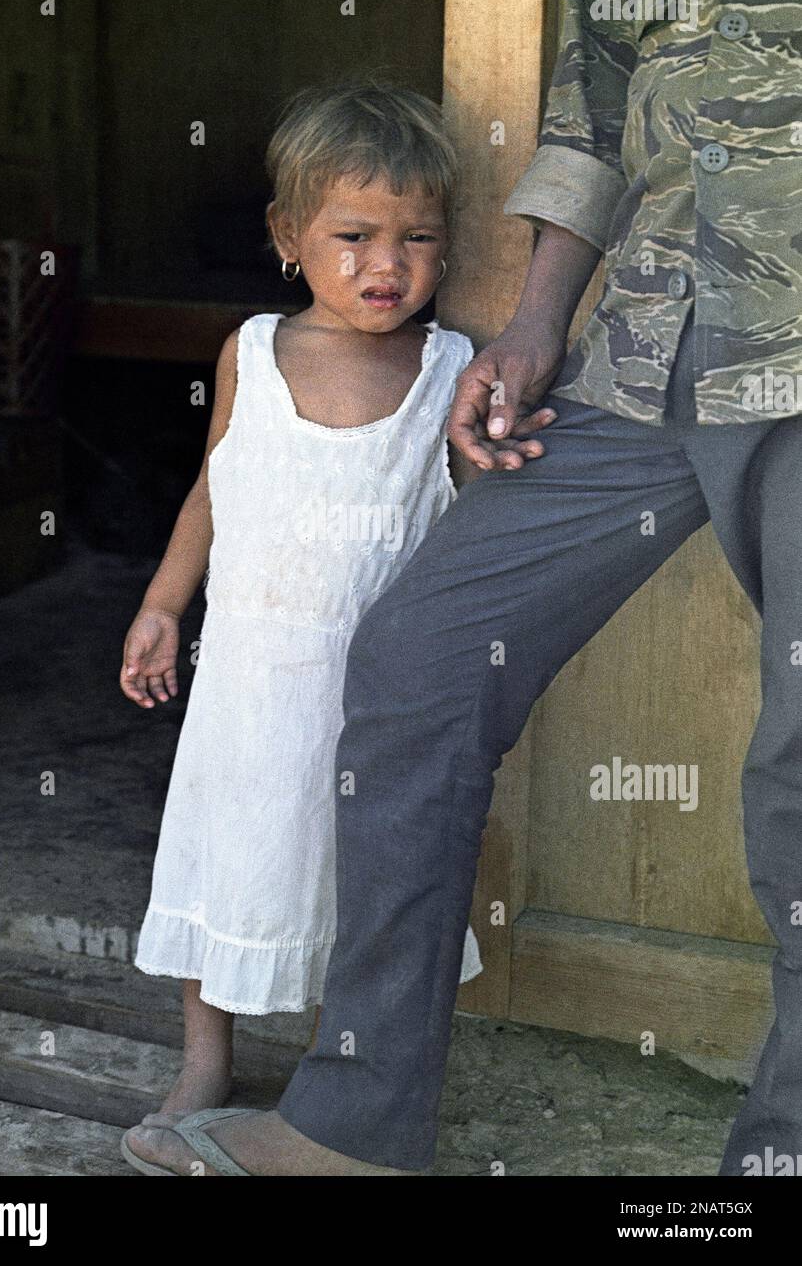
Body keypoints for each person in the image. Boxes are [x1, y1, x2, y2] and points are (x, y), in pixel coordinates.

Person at [123, 0, 802, 1177]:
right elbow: (597, 80)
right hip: (646, 326)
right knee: (421, 655)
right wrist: (541, 317)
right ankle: (356, 1124)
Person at [117, 82, 552, 1176]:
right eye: (353, 237)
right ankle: (205, 1062)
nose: (385, 265)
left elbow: (475, 531)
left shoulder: (450, 372)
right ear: (288, 237)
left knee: (359, 881)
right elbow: (215, 489)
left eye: (416, 240)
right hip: (253, 679)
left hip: (377, 697)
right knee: (235, 856)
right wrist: (165, 603)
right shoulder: (252, 353)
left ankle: (334, 1082)